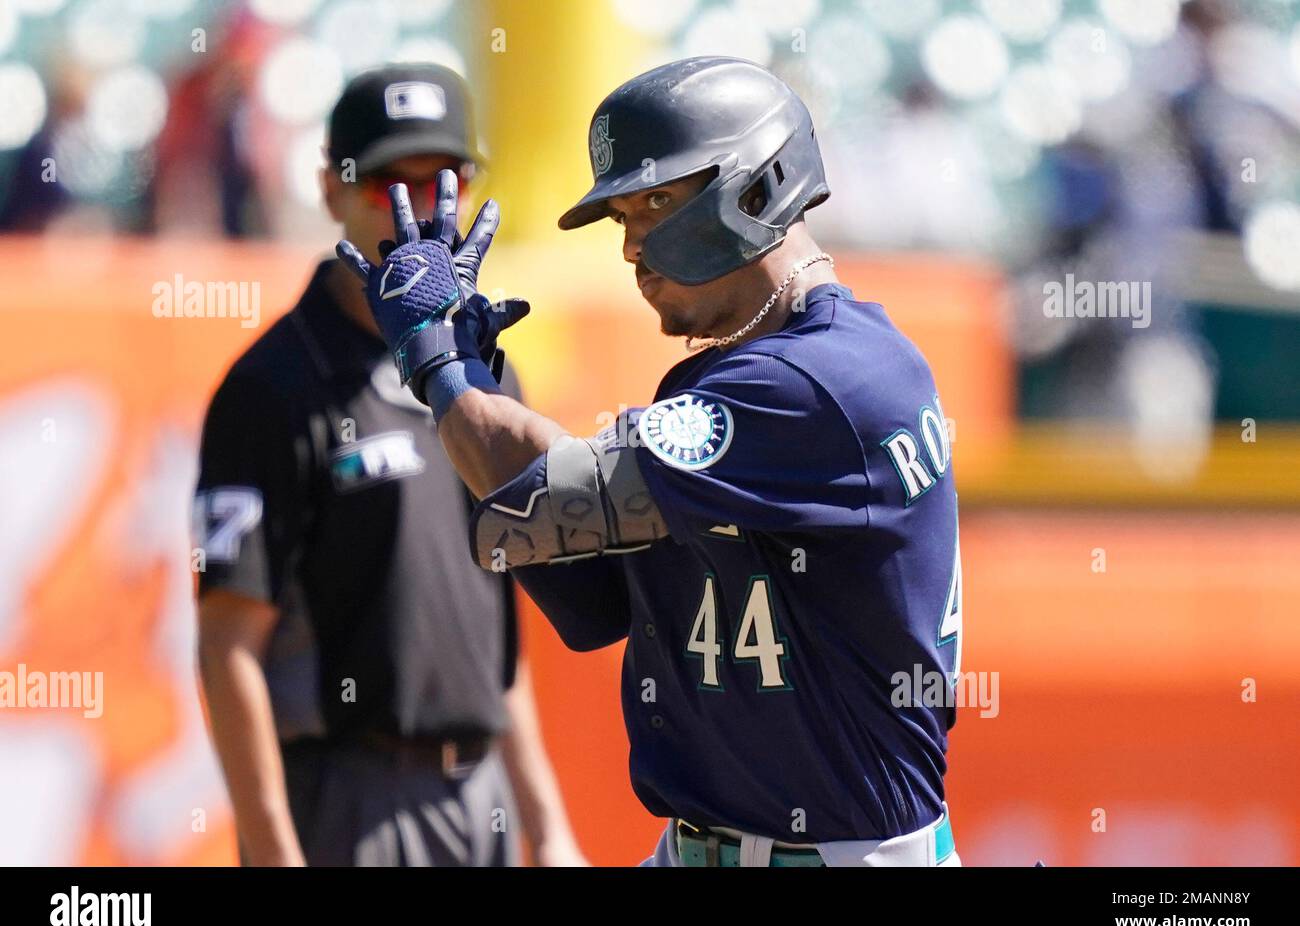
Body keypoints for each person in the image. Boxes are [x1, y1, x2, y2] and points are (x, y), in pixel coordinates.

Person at [337, 56, 963, 867]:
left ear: (758, 186)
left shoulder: (826, 381)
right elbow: (584, 575)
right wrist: (473, 383)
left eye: (658, 203)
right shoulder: (747, 371)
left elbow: (560, 502)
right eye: (622, 216)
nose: (632, 245)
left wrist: (438, 363)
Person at [194, 63, 584, 867]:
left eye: (443, 180)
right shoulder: (272, 387)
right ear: (328, 189)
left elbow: (493, 622)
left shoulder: (486, 373)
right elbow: (228, 642)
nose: (415, 214)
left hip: (484, 796)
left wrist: (544, 820)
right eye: (385, 186)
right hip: (348, 805)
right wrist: (271, 852)